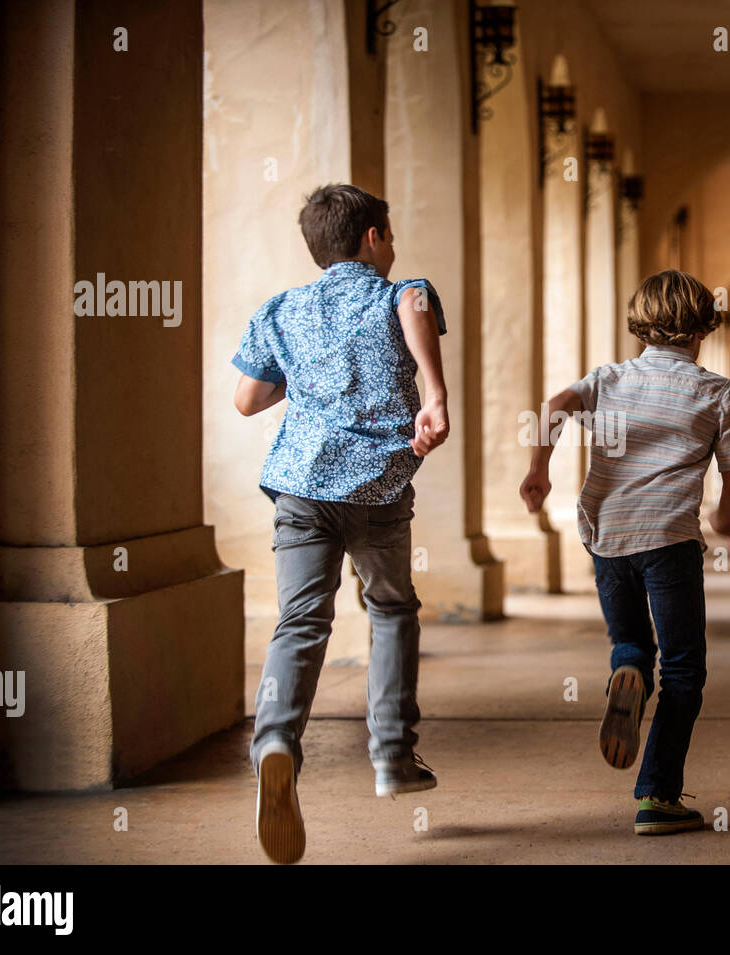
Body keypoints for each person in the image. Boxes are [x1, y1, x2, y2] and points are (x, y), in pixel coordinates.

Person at [231, 183, 450, 864]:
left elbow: (247, 399)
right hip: (378, 486)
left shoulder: (283, 308)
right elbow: (415, 306)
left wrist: (308, 372)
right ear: (374, 238)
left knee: (300, 621)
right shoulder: (401, 292)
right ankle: (391, 754)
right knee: (390, 608)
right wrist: (434, 394)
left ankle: (275, 740)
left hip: (299, 485)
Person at [520, 270, 730, 835]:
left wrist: (537, 471)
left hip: (607, 537)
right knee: (682, 667)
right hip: (670, 540)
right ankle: (657, 796)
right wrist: (723, 522)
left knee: (631, 643)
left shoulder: (609, 380)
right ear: (703, 326)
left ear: (640, 324)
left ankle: (627, 672)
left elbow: (553, 405)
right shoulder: (715, 391)